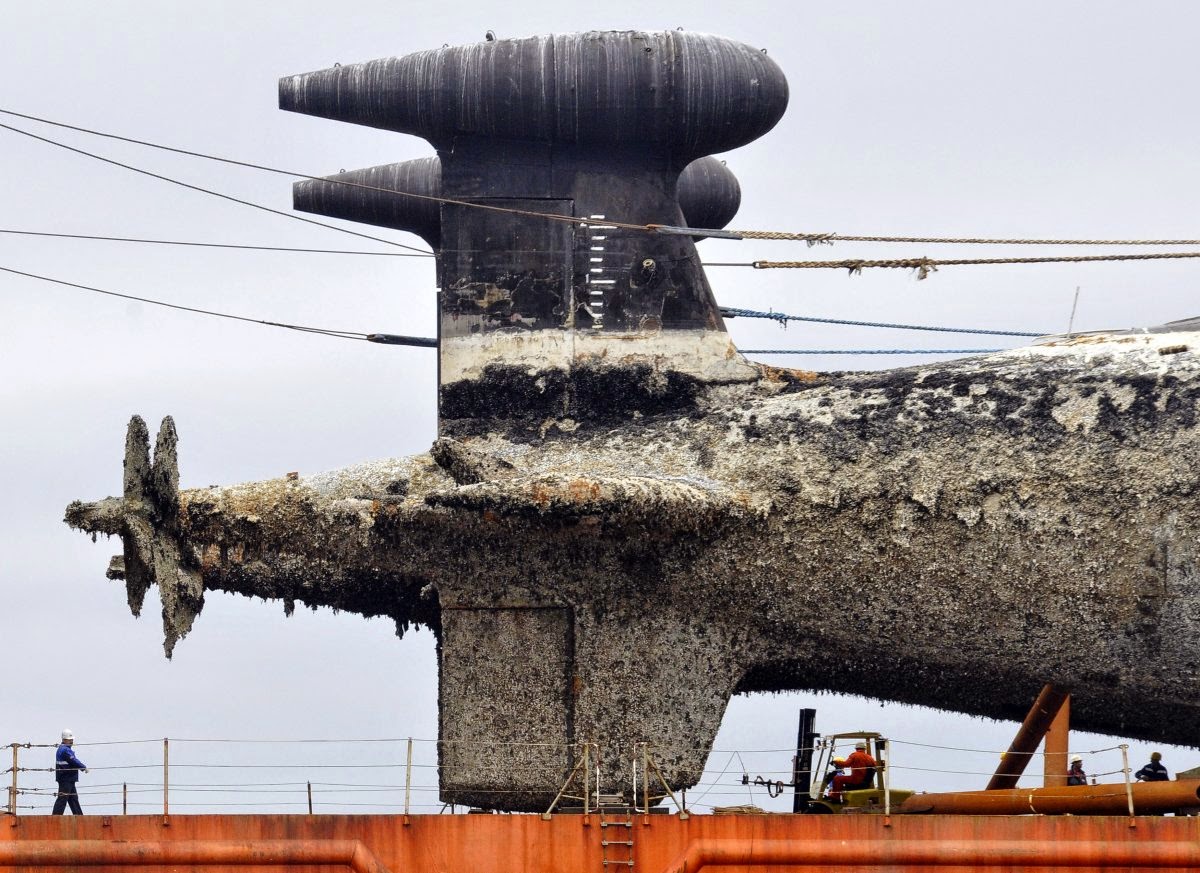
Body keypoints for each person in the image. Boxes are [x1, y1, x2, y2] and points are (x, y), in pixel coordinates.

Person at [52, 729, 87, 815]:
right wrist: (83, 767)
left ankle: (79, 817)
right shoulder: (65, 750)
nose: (71, 741)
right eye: (70, 739)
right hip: (66, 777)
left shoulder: (63, 749)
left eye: (72, 739)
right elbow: (73, 761)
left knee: (73, 799)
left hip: (68, 778)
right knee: (63, 798)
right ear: (64, 739)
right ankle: (55, 817)